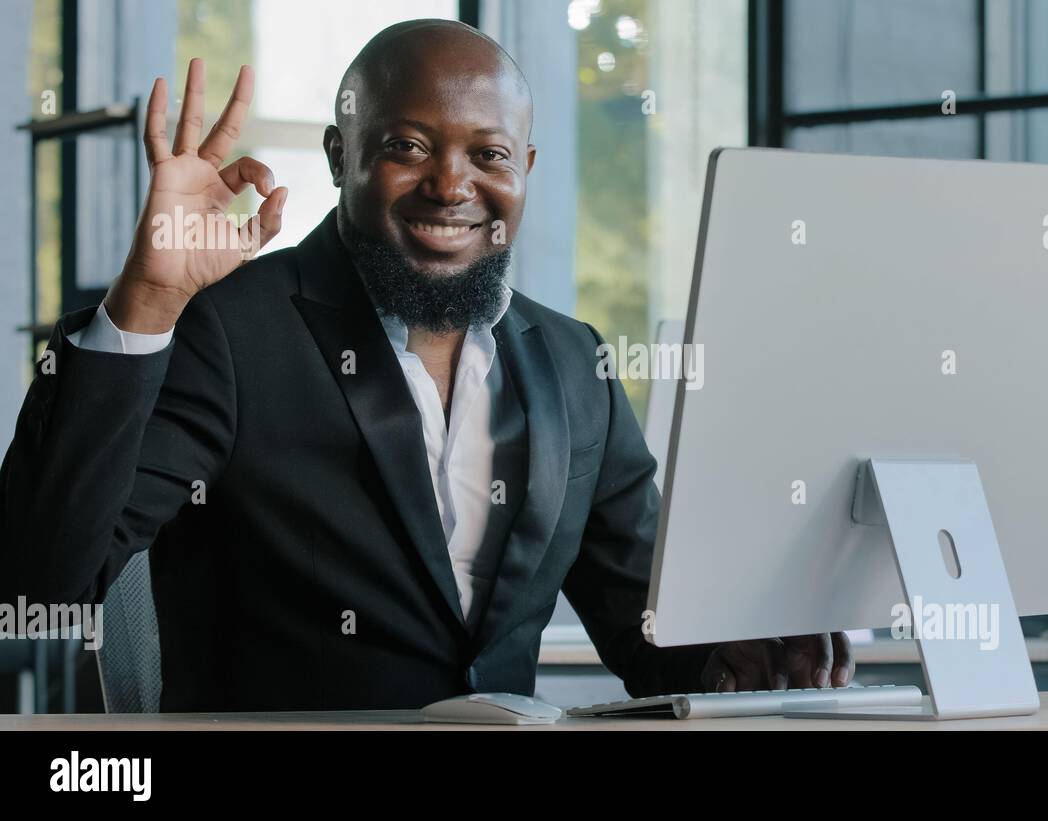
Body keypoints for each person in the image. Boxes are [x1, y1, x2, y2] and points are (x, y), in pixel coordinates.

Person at [0, 19, 853, 710]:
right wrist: (146, 301)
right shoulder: (231, 331)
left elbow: (646, 633)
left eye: (488, 154)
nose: (452, 185)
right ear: (342, 157)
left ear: (524, 169)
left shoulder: (572, 359)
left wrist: (735, 650)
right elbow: (41, 585)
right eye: (408, 146)